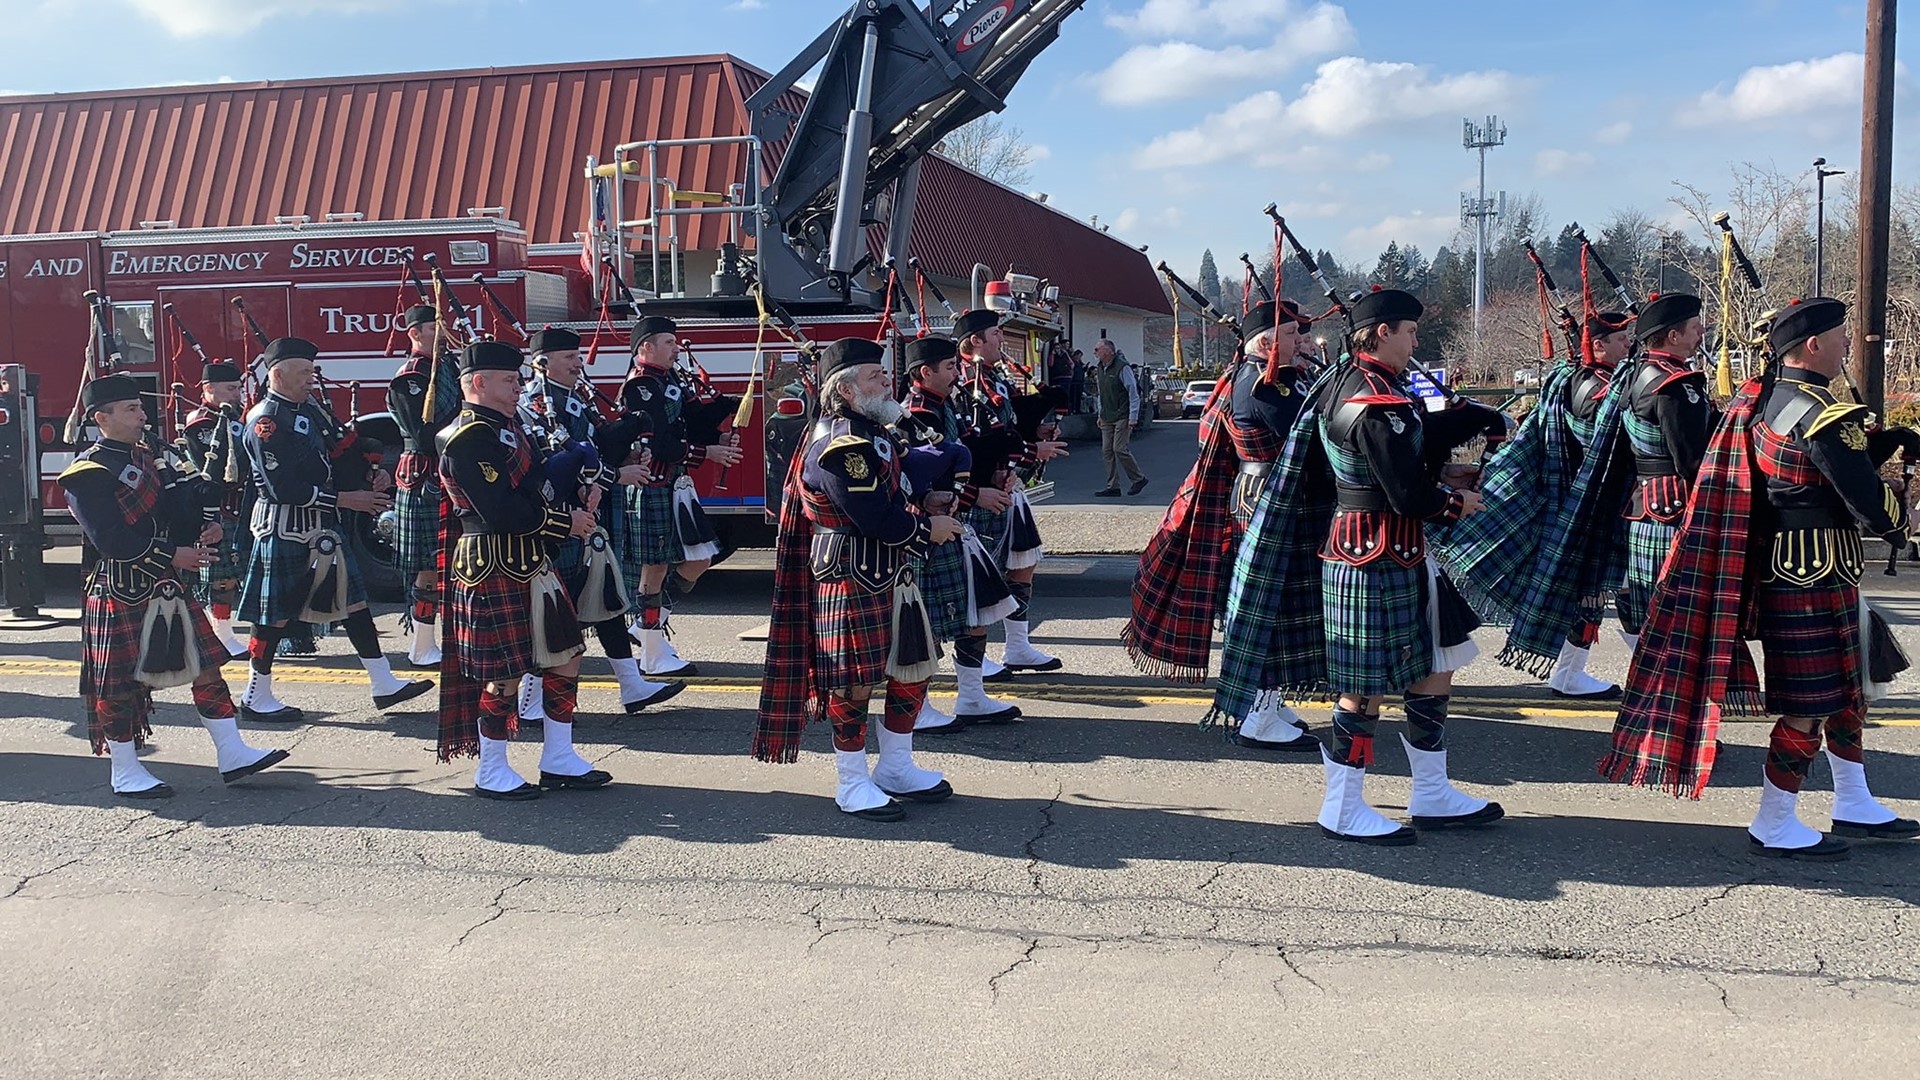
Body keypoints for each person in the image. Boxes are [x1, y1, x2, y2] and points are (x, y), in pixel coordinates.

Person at [1603, 298, 1916, 859]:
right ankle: (1775, 820)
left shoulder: (1768, 397)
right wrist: (1902, 523)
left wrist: (1881, 444)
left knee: (1849, 691)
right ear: (1813, 345)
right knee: (1812, 700)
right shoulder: (1819, 411)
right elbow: (1865, 501)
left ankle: (1853, 799)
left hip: (1798, 565)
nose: (1847, 344)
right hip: (1814, 573)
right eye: (1841, 335)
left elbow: (1816, 469)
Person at [1213, 289, 1504, 845]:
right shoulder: (1373, 399)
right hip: (1373, 555)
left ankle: (1432, 792)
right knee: (1363, 687)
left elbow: (1401, 454)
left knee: (1437, 662)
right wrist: (1454, 501)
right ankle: (1342, 807)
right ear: (1382, 333)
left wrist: (1461, 434)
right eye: (1410, 331)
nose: (1415, 341)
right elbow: (1406, 494)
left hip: (1393, 551)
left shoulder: (1355, 383)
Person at [754, 337, 962, 820]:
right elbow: (869, 516)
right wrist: (927, 529)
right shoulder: (841, 444)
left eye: (884, 373)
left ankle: (896, 767)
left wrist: (925, 500)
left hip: (890, 570)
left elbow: (889, 494)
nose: (887, 381)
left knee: (912, 668)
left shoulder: (873, 433)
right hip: (852, 572)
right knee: (854, 683)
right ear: (846, 391)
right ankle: (851, 782)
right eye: (875, 376)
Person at [59, 373, 289, 797]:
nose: (142, 415)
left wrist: (203, 526)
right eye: (131, 409)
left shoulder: (152, 456)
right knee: (119, 684)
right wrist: (172, 554)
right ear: (101, 418)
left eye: (139, 407)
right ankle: (124, 771)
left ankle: (232, 752)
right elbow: (111, 540)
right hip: (119, 588)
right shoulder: (86, 473)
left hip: (164, 583)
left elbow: (172, 512)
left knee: (206, 667)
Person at [1124, 300, 1318, 752]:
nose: (1301, 342)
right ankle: (1259, 714)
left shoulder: (1262, 377)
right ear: (1267, 343)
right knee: (1268, 609)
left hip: (1265, 499)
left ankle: (1265, 701)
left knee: (1270, 605)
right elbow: (1309, 433)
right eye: (1292, 335)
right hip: (1270, 503)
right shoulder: (1264, 386)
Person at [435, 340, 611, 799]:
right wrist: (566, 523)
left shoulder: (508, 427)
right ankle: (491, 768)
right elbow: (502, 510)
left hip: (532, 559)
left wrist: (577, 485)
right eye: (510, 381)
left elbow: (536, 483)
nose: (519, 387)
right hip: (492, 561)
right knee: (505, 671)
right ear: (479, 382)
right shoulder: (465, 437)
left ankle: (558, 757)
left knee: (566, 653)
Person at [1432, 305, 1635, 701]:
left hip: (1589, 504)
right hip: (1590, 505)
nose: (1629, 346)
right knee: (1626, 591)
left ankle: (1572, 672)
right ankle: (1650, 675)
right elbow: (1610, 444)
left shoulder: (1580, 380)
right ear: (1598, 345)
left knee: (1600, 593)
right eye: (1622, 339)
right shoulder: (1594, 390)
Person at [234, 337, 432, 721]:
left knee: (354, 604)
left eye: (311, 371)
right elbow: (282, 489)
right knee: (273, 617)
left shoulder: (310, 409)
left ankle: (383, 682)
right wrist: (345, 499)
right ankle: (255, 695)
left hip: (322, 527)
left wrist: (371, 472)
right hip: (284, 529)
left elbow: (344, 449)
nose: (311, 378)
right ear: (278, 375)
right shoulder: (266, 421)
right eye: (303, 372)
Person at [520, 326, 683, 715]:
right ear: (543, 362)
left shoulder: (573, 397)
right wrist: (617, 475)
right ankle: (528, 700)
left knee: (604, 597)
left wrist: (627, 450)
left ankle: (632, 685)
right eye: (568, 357)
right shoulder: (539, 402)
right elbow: (559, 462)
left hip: (589, 516)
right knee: (555, 611)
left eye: (577, 356)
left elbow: (594, 448)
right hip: (560, 520)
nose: (578, 363)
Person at [900, 334, 1019, 731]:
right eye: (950, 367)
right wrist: (976, 494)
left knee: (976, 612)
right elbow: (922, 480)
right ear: (925, 372)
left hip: (952, 523)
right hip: (926, 530)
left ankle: (971, 697)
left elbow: (961, 461)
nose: (958, 373)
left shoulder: (943, 404)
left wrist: (993, 474)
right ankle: (917, 708)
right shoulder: (915, 414)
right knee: (926, 624)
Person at [620, 315, 745, 676]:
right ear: (646, 347)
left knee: (700, 559)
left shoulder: (670, 379)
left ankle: (646, 624)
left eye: (675, 342)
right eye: (669, 342)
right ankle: (652, 654)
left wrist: (733, 408)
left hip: (676, 485)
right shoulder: (640, 387)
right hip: (654, 485)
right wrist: (708, 453)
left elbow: (694, 421)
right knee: (655, 568)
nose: (676, 348)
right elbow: (659, 443)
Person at [953, 309, 1069, 679]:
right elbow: (977, 438)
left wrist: (1036, 434)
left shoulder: (994, 377)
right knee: (980, 573)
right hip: (981, 488)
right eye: (996, 334)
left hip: (1007, 485)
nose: (1002, 339)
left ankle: (1017, 646)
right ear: (975, 341)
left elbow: (1009, 425)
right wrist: (1032, 451)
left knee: (1023, 563)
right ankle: (971, 667)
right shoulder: (965, 382)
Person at [1617, 293, 1713, 650]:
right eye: (1695, 327)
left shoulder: (1639, 375)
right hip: (1673, 512)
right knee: (1677, 622)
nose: (1701, 332)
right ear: (1673, 336)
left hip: (1646, 506)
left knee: (1654, 618)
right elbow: (1691, 461)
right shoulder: (1674, 386)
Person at [387, 304, 463, 667]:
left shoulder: (448, 367)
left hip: (448, 470)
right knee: (429, 565)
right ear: (415, 333)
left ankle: (448, 638)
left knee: (452, 560)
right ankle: (422, 645)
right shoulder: (411, 377)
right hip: (425, 474)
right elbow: (423, 433)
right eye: (435, 329)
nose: (443, 335)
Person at [179, 361, 252, 659]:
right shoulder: (201, 424)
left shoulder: (234, 417)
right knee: (222, 579)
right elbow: (216, 467)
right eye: (230, 389)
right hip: (217, 508)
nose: (237, 394)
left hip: (240, 506)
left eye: (238, 389)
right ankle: (222, 636)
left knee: (238, 574)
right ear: (208, 389)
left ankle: (230, 633)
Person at [1091, 338, 1148, 497]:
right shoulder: (1100, 368)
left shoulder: (1122, 367)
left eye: (1097, 349)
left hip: (1122, 414)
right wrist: (1100, 413)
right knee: (1107, 450)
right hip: (1107, 415)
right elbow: (1101, 394)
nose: (1095, 353)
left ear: (1108, 351)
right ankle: (1113, 486)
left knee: (1119, 448)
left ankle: (1138, 478)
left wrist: (1133, 416)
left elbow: (1133, 393)